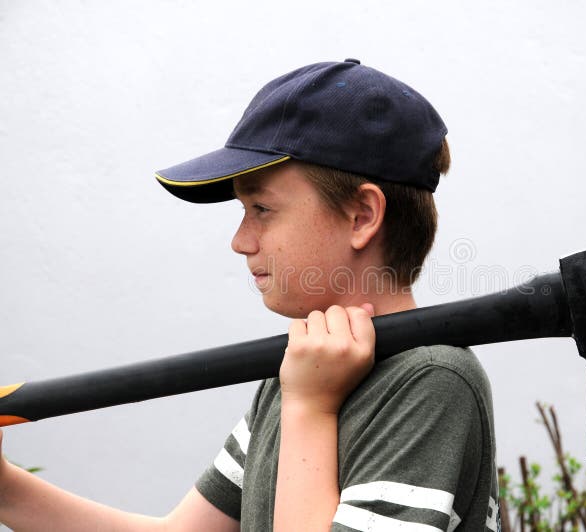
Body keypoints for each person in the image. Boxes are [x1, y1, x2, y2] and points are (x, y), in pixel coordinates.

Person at [0, 58, 501, 531]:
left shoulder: (429, 383)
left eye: (261, 208)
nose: (240, 241)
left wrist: (309, 408)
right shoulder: (302, 373)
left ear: (362, 216)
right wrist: (4, 491)